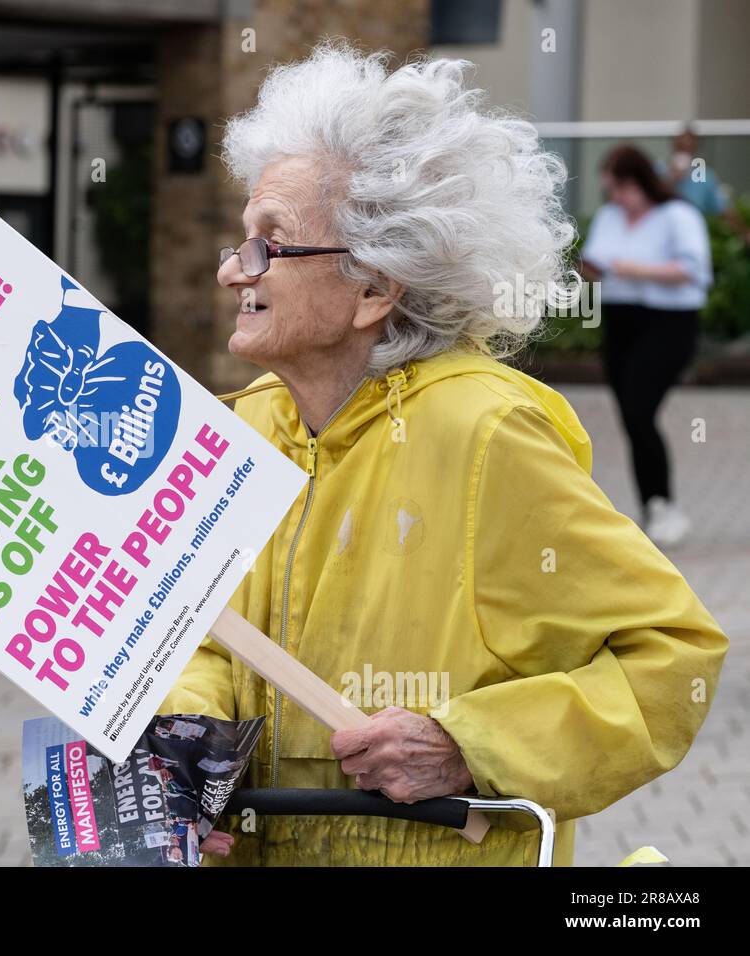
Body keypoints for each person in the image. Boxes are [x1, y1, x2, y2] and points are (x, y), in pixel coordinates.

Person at [159, 42, 727, 866]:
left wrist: (469, 744)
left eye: (268, 244)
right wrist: (190, 747)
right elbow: (200, 635)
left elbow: (674, 659)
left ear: (373, 289)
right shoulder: (244, 432)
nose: (227, 271)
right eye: (238, 239)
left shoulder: (483, 434)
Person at [580, 144, 713, 547]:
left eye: (620, 188)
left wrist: (632, 268)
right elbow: (595, 265)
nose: (616, 198)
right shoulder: (609, 217)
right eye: (611, 191)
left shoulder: (678, 216)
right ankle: (652, 506)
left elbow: (694, 271)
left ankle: (664, 504)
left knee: (640, 409)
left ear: (639, 182)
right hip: (621, 322)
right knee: (631, 418)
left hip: (667, 324)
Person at [661, 127, 750, 240]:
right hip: (663, 233)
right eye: (681, 147)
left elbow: (723, 209)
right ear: (674, 146)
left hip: (692, 236)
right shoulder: (659, 171)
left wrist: (744, 233)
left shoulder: (705, 176)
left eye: (689, 148)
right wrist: (672, 177)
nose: (685, 152)